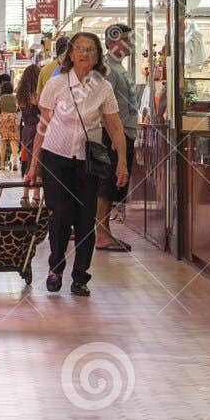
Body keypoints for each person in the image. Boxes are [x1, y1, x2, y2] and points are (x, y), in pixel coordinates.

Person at [26, 31, 127, 296]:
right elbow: (42, 126)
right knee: (60, 215)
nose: (84, 54)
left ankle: (80, 276)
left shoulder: (103, 87)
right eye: (79, 49)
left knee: (85, 219)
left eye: (90, 50)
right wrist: (33, 165)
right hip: (56, 157)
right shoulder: (56, 84)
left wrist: (123, 162)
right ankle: (55, 270)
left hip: (87, 162)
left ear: (97, 57)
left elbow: (115, 127)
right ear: (70, 54)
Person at [95, 24, 139, 253]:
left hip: (122, 133)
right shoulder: (108, 69)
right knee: (107, 185)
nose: (130, 44)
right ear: (111, 42)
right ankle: (101, 234)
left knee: (112, 186)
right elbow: (102, 105)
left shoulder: (117, 67)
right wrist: (113, 134)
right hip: (114, 135)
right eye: (125, 40)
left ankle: (105, 231)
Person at [15, 62, 41, 206]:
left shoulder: (21, 94)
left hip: (26, 131)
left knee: (28, 162)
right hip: (38, 131)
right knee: (37, 163)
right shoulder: (36, 94)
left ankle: (24, 195)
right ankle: (36, 197)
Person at [0, 72, 19, 170]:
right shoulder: (15, 98)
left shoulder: (0, 98)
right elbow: (18, 108)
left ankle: (1, 164)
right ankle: (15, 163)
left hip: (3, 119)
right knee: (13, 142)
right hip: (13, 119)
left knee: (3, 143)